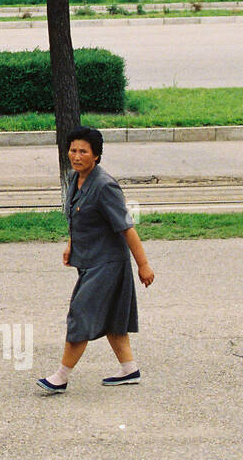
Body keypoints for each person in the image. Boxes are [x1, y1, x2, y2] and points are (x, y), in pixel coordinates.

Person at [38, 126, 155, 395]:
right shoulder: (75, 178)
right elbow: (77, 217)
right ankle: (129, 369)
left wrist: (143, 265)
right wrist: (71, 245)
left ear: (97, 156)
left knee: (80, 314)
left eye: (83, 152)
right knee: (114, 317)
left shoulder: (105, 186)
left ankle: (61, 376)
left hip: (108, 263)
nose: (76, 156)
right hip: (89, 260)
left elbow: (127, 227)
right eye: (73, 150)